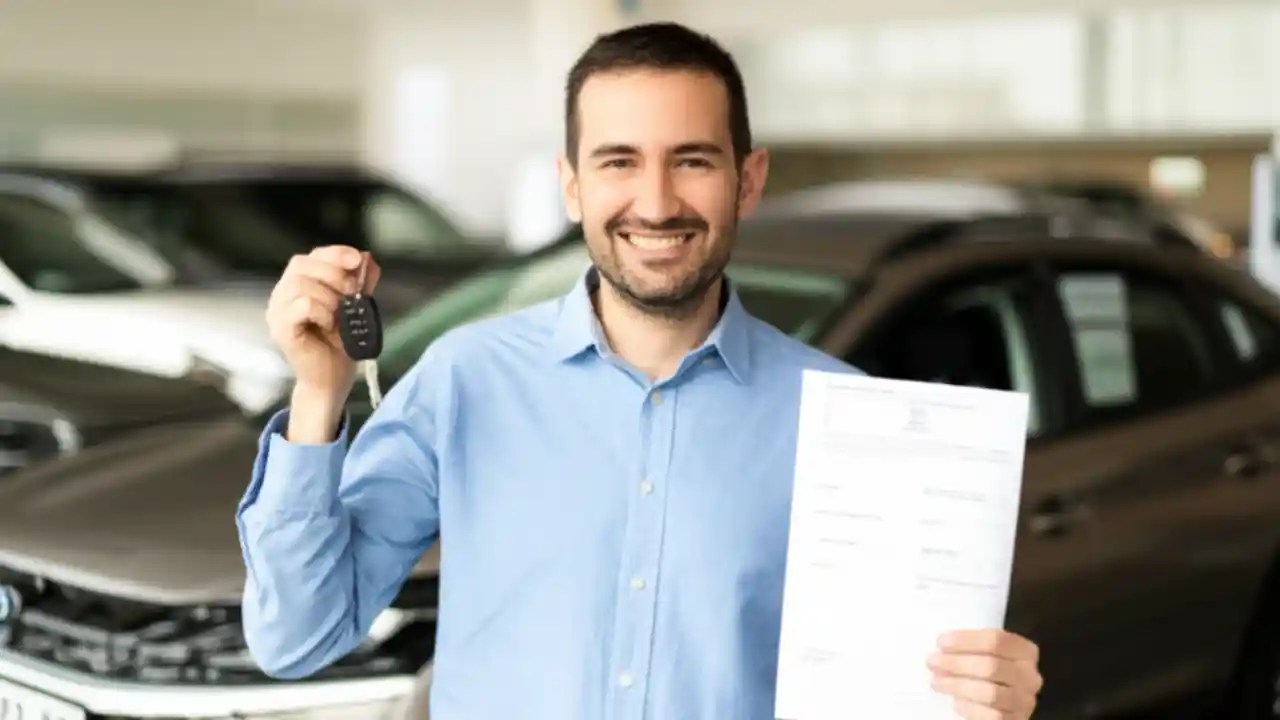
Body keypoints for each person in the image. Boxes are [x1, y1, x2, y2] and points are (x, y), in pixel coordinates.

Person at [237, 21, 1044, 720]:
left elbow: (889, 688)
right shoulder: (464, 382)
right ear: (572, 185)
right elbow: (297, 635)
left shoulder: (849, 422)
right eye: (619, 162)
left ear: (748, 180)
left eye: (691, 160)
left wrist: (975, 694)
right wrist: (320, 395)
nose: (655, 203)